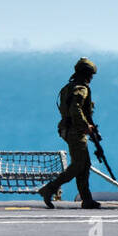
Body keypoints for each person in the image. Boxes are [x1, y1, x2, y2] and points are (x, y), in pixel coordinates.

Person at [41, 58, 103, 209]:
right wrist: (85, 126)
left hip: (68, 129)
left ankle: (87, 199)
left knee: (84, 164)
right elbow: (76, 109)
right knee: (79, 165)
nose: (91, 78)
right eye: (90, 75)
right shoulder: (81, 88)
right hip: (75, 131)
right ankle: (49, 188)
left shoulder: (69, 87)